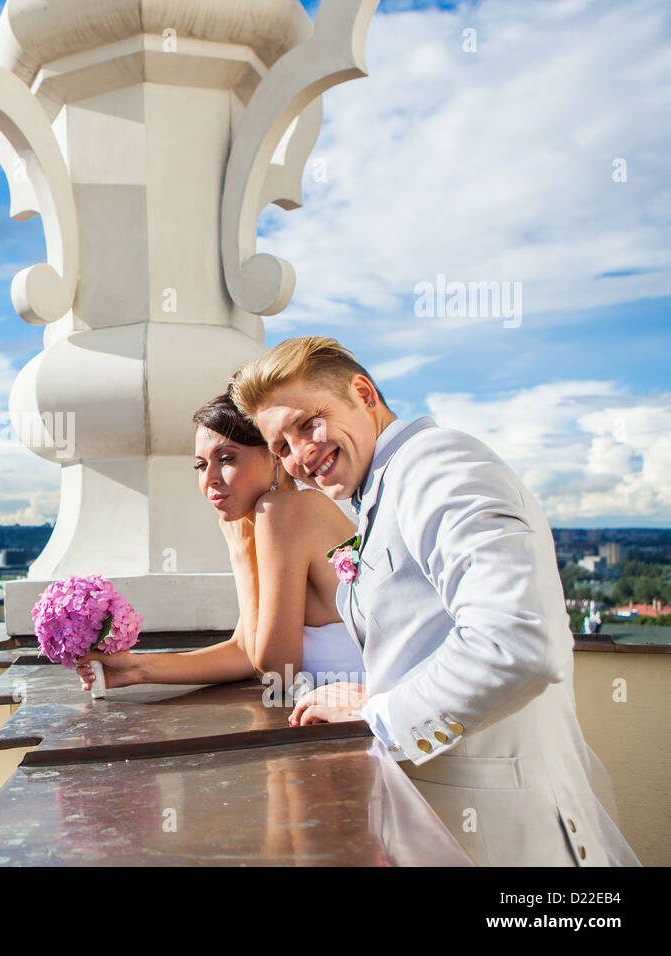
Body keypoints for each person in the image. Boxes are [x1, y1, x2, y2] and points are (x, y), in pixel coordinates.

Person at [229, 334, 639, 866]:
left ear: (363, 392)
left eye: (309, 424)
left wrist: (380, 715)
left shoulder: (436, 463)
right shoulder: (377, 489)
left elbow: (517, 640)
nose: (300, 456)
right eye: (281, 446)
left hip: (502, 840)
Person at [75, 391, 365, 694]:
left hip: (374, 726)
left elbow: (276, 669)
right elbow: (244, 650)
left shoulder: (284, 509)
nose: (210, 478)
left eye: (226, 458)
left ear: (274, 455)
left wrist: (240, 553)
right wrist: (137, 668)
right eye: (201, 465)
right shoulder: (272, 516)